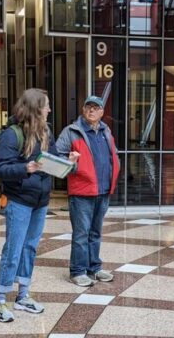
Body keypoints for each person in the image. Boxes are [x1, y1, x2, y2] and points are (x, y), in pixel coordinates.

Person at [0, 89, 78, 322]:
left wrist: (67, 163)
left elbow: (50, 163)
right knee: (13, 249)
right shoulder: (12, 135)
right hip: (19, 201)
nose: (49, 109)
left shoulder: (45, 132)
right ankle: (1, 300)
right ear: (34, 108)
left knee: (29, 247)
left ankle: (22, 296)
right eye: (46, 105)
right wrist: (25, 168)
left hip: (40, 201)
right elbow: (1, 169)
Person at [56, 96, 121, 286]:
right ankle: (77, 271)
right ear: (83, 110)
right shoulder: (71, 131)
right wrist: (75, 166)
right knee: (81, 233)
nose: (92, 111)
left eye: (96, 108)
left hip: (103, 190)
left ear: (102, 112)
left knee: (95, 232)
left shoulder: (105, 130)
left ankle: (94, 268)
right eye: (88, 107)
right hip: (82, 192)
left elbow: (113, 154)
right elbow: (58, 156)